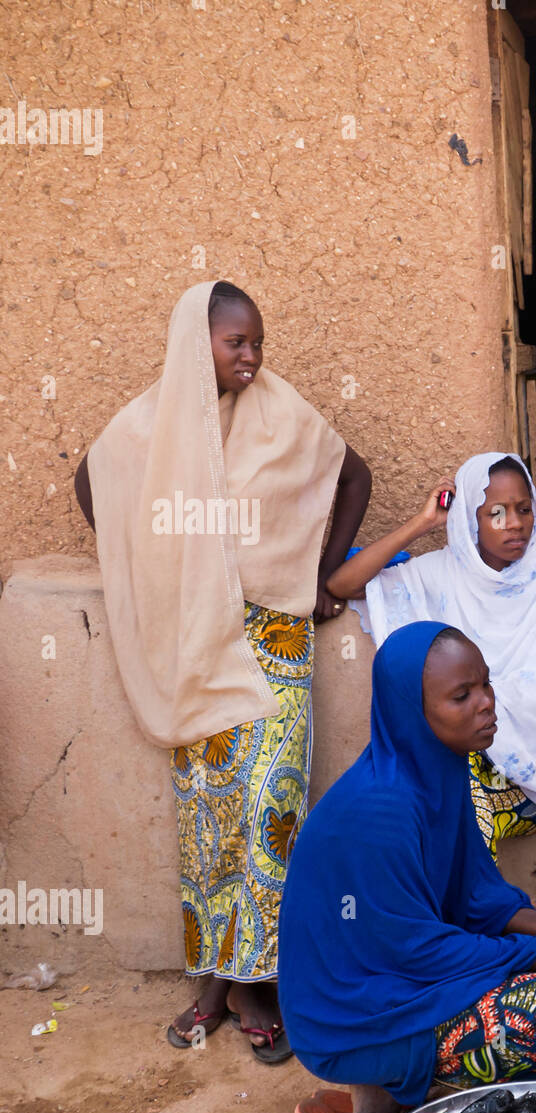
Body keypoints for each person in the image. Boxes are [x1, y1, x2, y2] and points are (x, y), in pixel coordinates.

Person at [73, 280, 371, 1059]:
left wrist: (320, 578)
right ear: (193, 342)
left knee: (272, 815)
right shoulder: (151, 425)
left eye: (258, 342)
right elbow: (90, 482)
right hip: (194, 645)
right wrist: (147, 564)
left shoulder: (282, 412)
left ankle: (265, 983)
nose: (251, 356)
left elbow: (355, 476)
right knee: (207, 818)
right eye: (236, 341)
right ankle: (214, 981)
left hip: (276, 645)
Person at [278, 621, 536, 1113]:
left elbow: (476, 900)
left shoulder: (438, 773)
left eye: (486, 685)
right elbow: (413, 950)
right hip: (352, 1016)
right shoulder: (381, 811)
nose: (486, 704)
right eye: (461, 695)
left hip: (395, 981)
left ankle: (399, 1103)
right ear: (409, 709)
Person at [327, 452, 536, 858]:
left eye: (524, 509)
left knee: (458, 806)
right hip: (470, 755)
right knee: (408, 798)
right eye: (495, 512)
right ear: (468, 519)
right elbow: (342, 584)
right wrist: (422, 523)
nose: (514, 523)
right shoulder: (442, 573)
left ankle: (470, 914)